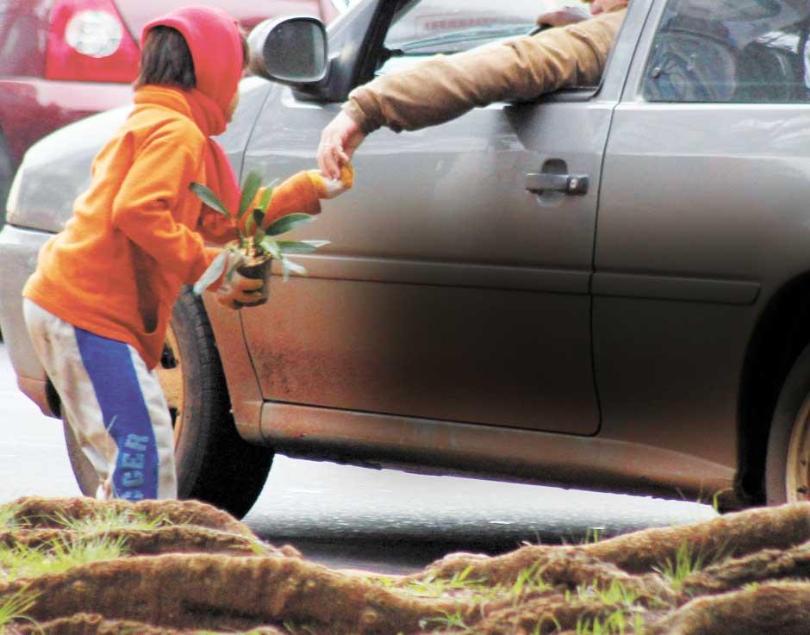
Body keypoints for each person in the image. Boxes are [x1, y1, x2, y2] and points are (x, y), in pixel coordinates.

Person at [21, 7, 260, 502]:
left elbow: (225, 219)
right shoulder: (177, 134)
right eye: (238, 77)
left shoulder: (160, 124)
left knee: (132, 451)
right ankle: (139, 546)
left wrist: (309, 191)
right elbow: (138, 211)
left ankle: (119, 539)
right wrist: (212, 268)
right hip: (85, 313)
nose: (239, 92)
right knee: (141, 447)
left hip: (72, 306)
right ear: (214, 74)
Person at [318, 0, 628, 179]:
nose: (593, 5)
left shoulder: (616, 31)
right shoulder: (641, 31)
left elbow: (514, 63)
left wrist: (368, 106)